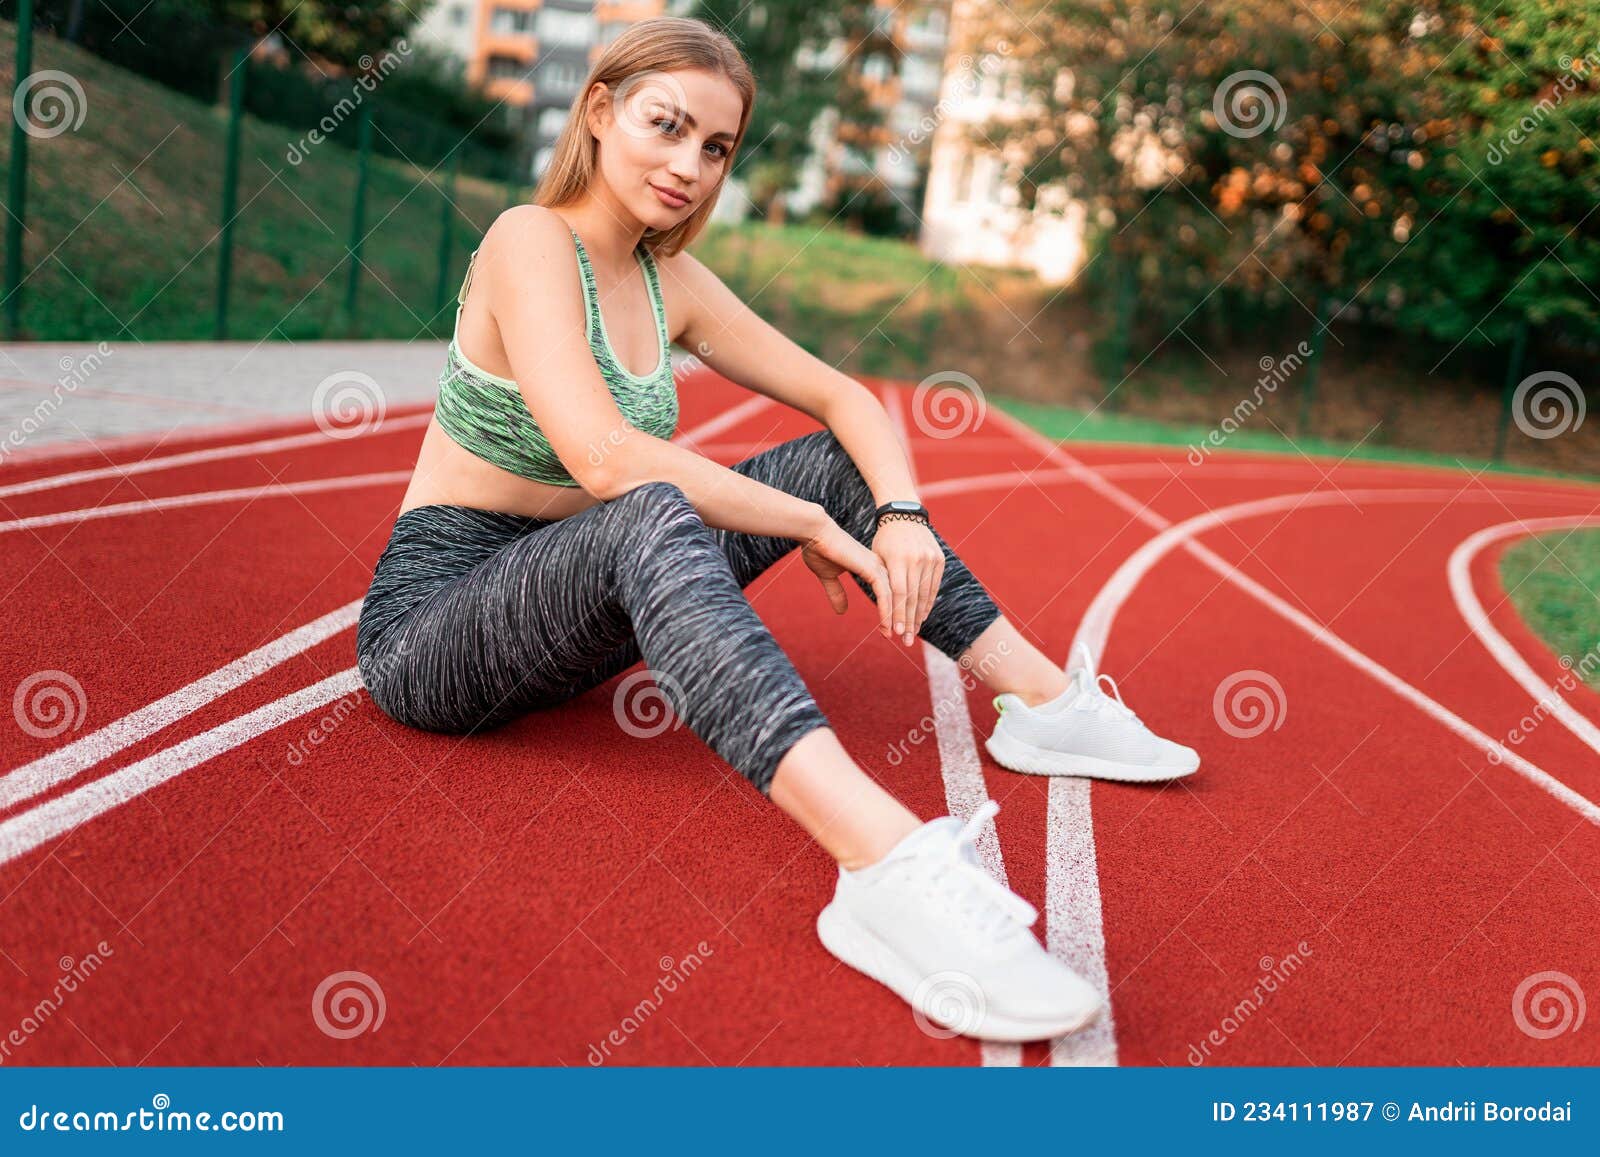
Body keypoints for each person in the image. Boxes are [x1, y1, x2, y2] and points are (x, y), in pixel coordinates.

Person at [355, 15, 1198, 1043]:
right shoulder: (528, 241)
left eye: (715, 148)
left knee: (834, 467)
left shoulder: (675, 285)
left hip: (567, 601)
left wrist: (900, 517)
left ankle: (1043, 701)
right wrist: (801, 522)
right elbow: (605, 457)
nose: (689, 167)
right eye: (666, 127)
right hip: (434, 623)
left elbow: (848, 399)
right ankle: (884, 865)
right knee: (652, 501)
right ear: (598, 109)